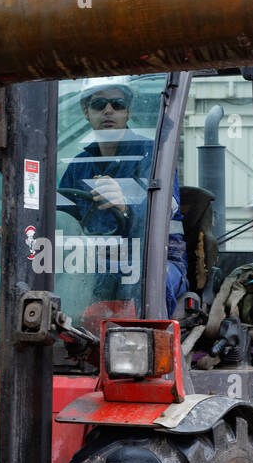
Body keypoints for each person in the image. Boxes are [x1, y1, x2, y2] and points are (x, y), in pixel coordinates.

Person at [57, 78, 188, 315]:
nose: (108, 110)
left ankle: (144, 347)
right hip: (97, 260)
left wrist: (125, 205)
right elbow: (59, 219)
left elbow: (167, 208)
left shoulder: (155, 156)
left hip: (156, 258)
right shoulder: (78, 166)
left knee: (142, 284)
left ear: (128, 111)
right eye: (99, 104)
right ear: (86, 112)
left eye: (117, 104)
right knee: (60, 286)